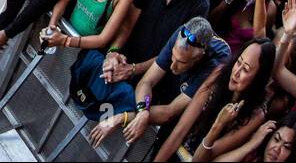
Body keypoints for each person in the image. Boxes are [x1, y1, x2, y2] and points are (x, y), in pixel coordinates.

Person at [88, 17, 232, 148]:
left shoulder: (218, 62)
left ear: (199, 57)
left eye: (181, 62)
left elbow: (170, 112)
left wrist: (121, 117)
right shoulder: (182, 33)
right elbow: (147, 81)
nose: (172, 65)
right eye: (173, 57)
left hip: (199, 120)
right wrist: (143, 110)